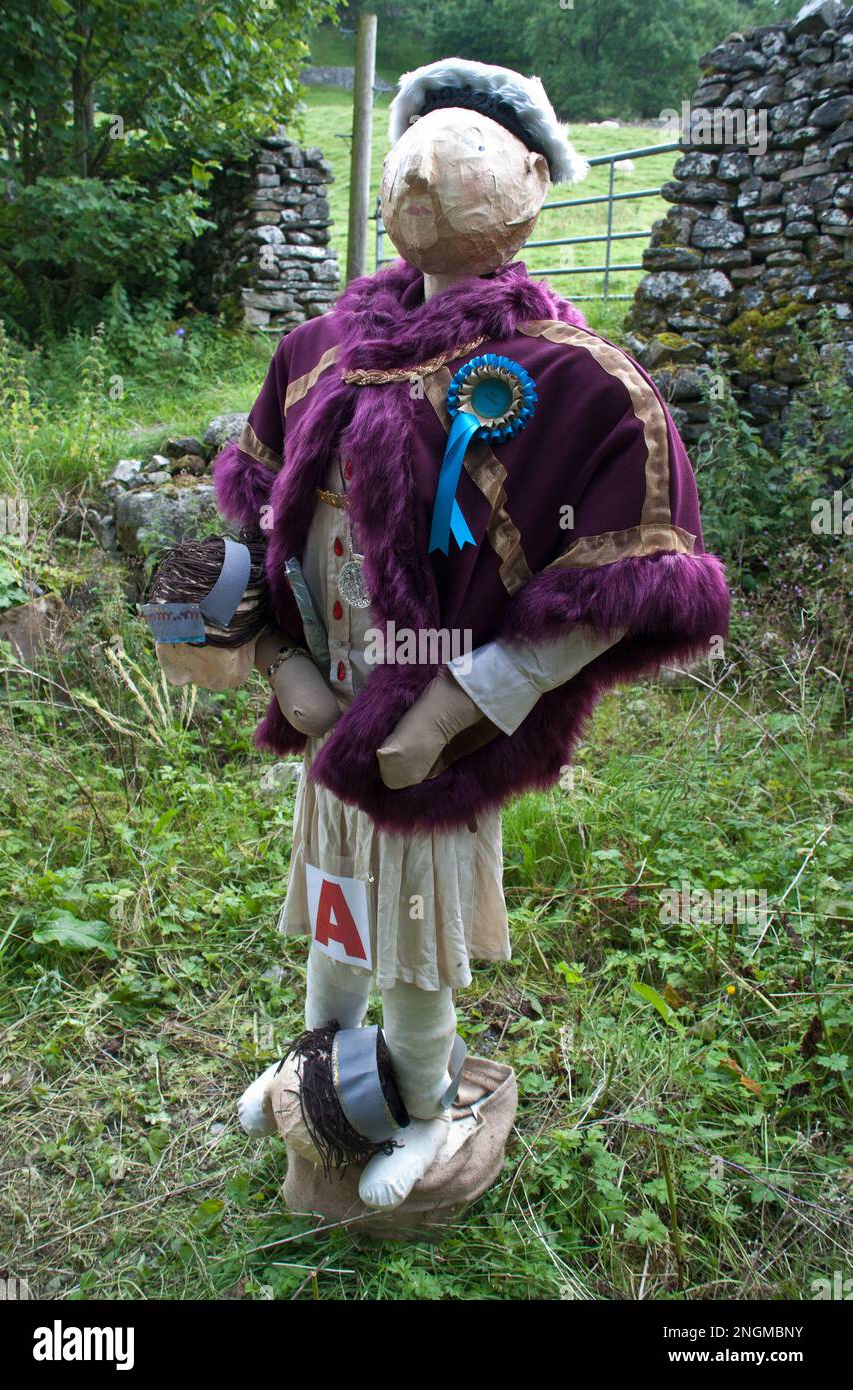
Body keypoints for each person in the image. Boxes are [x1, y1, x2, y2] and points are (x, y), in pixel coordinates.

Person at [223, 59, 730, 1210]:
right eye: (415, 138)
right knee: (336, 909)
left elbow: (616, 589)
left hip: (436, 735)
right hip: (332, 710)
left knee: (413, 936)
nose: (421, 163)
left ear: (533, 180)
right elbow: (247, 522)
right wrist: (280, 658)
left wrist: (457, 703)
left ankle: (429, 1093)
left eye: (463, 141)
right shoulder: (315, 350)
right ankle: (322, 1067)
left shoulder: (578, 381)